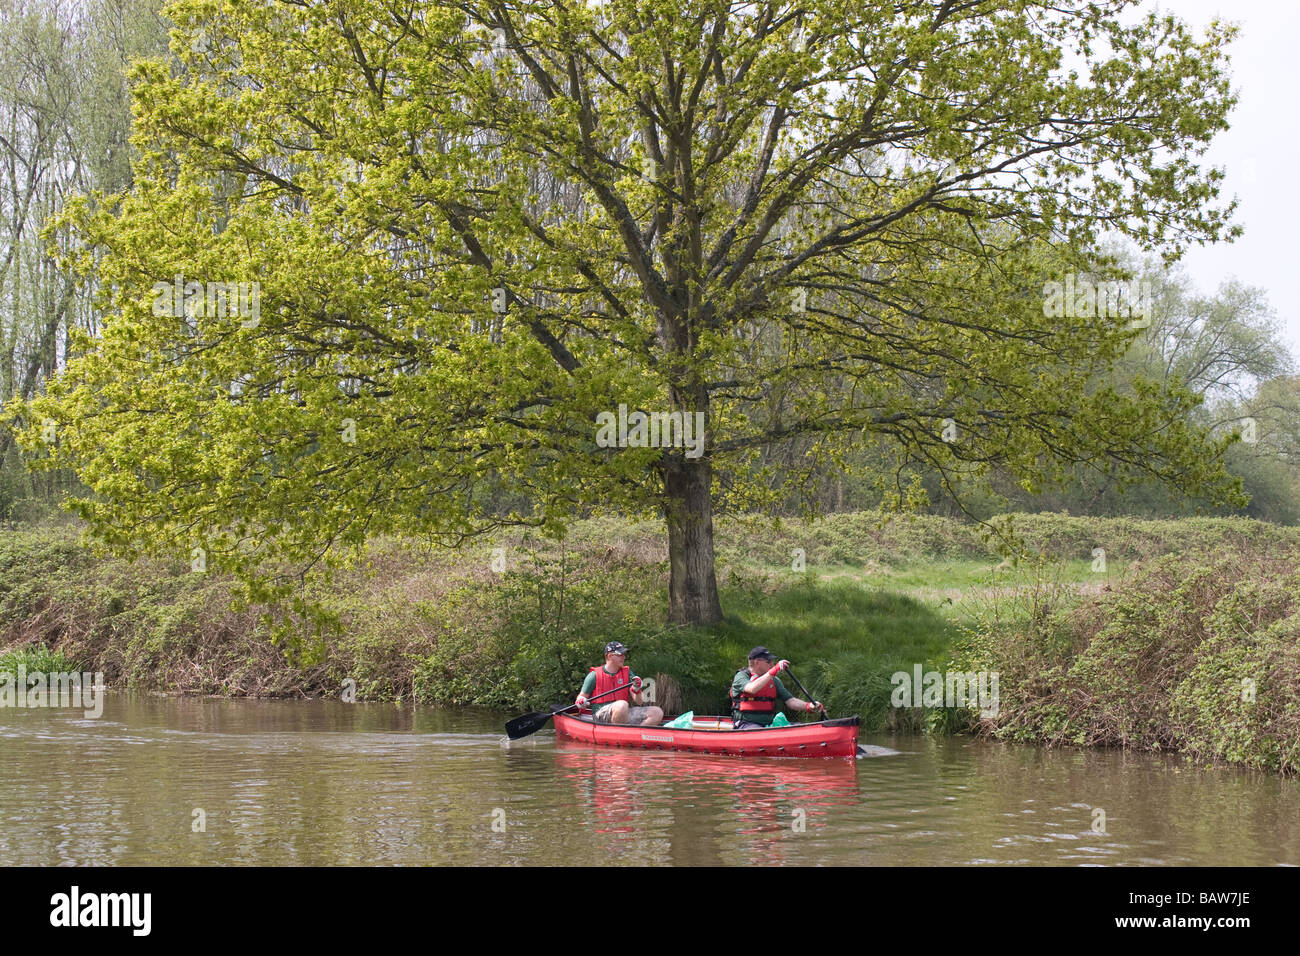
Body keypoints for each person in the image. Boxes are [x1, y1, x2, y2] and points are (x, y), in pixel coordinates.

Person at [730, 647, 823, 730]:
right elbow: (752, 688)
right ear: (756, 662)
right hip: (745, 724)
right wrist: (774, 670)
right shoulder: (741, 676)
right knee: (762, 733)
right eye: (768, 661)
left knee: (799, 727)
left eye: (772, 661)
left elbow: (791, 701)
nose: (772, 664)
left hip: (768, 724)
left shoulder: (774, 680)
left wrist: (809, 706)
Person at [576, 641, 664, 726]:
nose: (623, 657)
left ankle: (633, 735)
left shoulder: (628, 673)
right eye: (620, 654)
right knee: (622, 705)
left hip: (623, 711)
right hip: (601, 714)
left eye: (624, 654)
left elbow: (639, 702)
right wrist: (581, 701)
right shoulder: (593, 675)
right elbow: (581, 697)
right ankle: (618, 735)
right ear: (610, 656)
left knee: (657, 712)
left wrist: (636, 689)